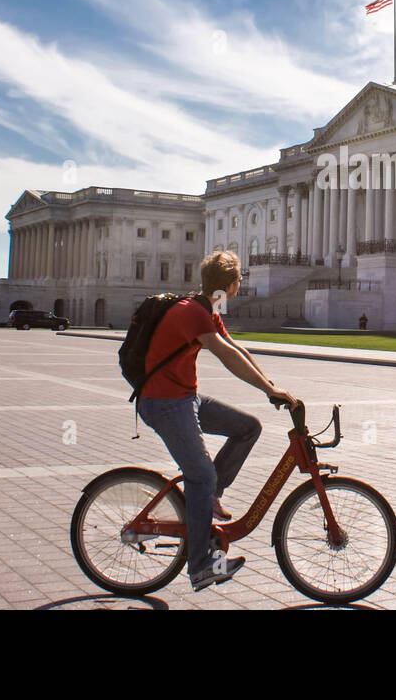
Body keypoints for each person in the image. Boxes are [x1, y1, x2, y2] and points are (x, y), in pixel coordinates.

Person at [136, 250, 296, 592]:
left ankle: (210, 495)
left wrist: (271, 387)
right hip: (164, 404)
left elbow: (235, 349)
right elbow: (224, 355)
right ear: (232, 284)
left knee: (247, 427)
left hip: (184, 399)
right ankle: (202, 565)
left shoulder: (206, 308)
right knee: (201, 475)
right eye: (239, 281)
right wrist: (268, 389)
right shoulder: (192, 313)